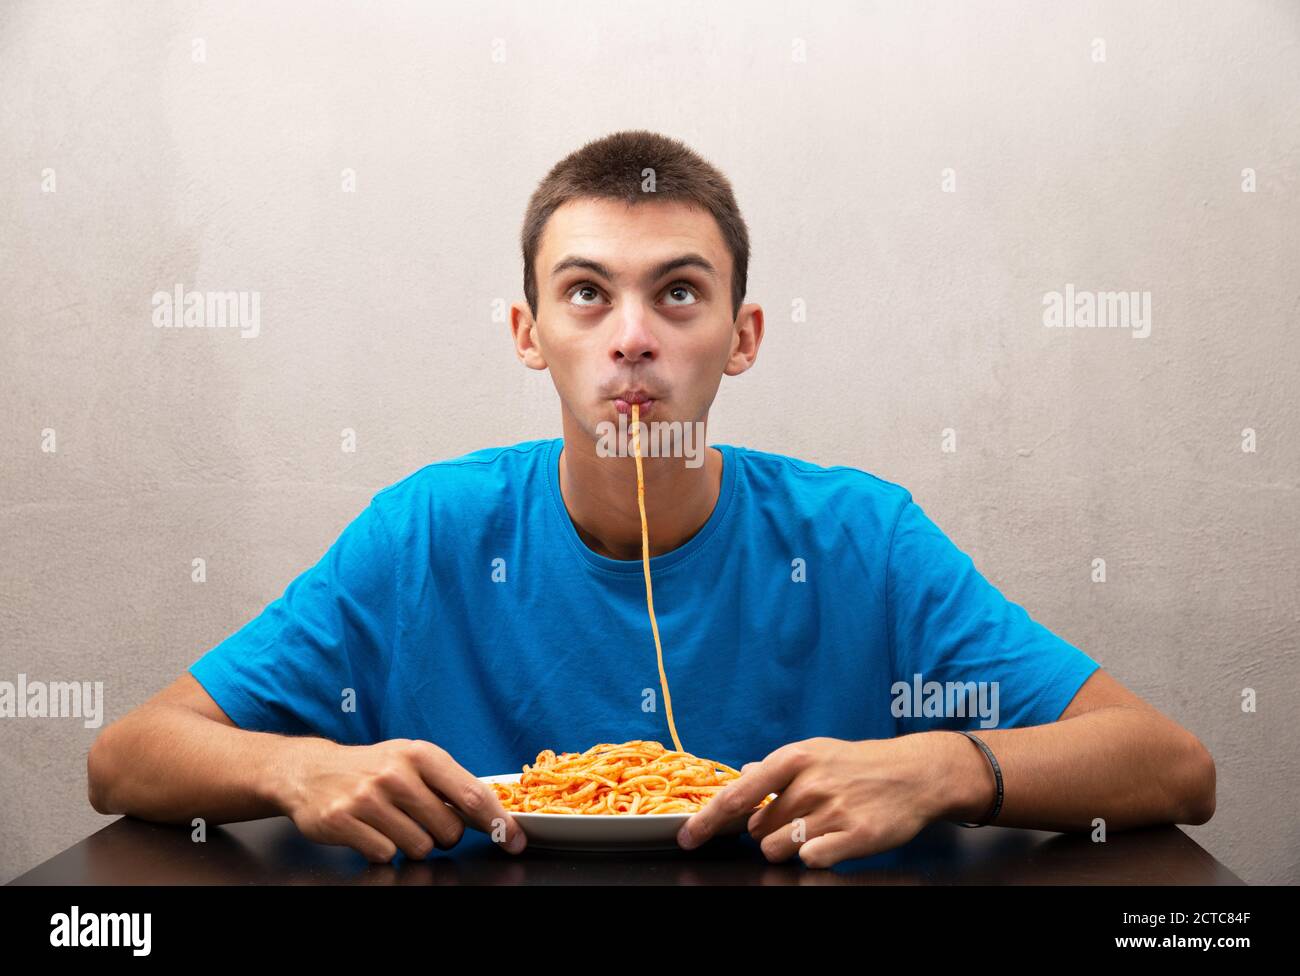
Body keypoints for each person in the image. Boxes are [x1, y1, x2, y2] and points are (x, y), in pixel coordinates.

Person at [87, 130, 1215, 869]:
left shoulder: (860, 539)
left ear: (742, 336)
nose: (631, 338)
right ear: (529, 335)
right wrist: (296, 764)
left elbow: (1171, 764)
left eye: (679, 293)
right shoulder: (426, 532)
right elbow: (129, 754)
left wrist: (950, 767)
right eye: (586, 294)